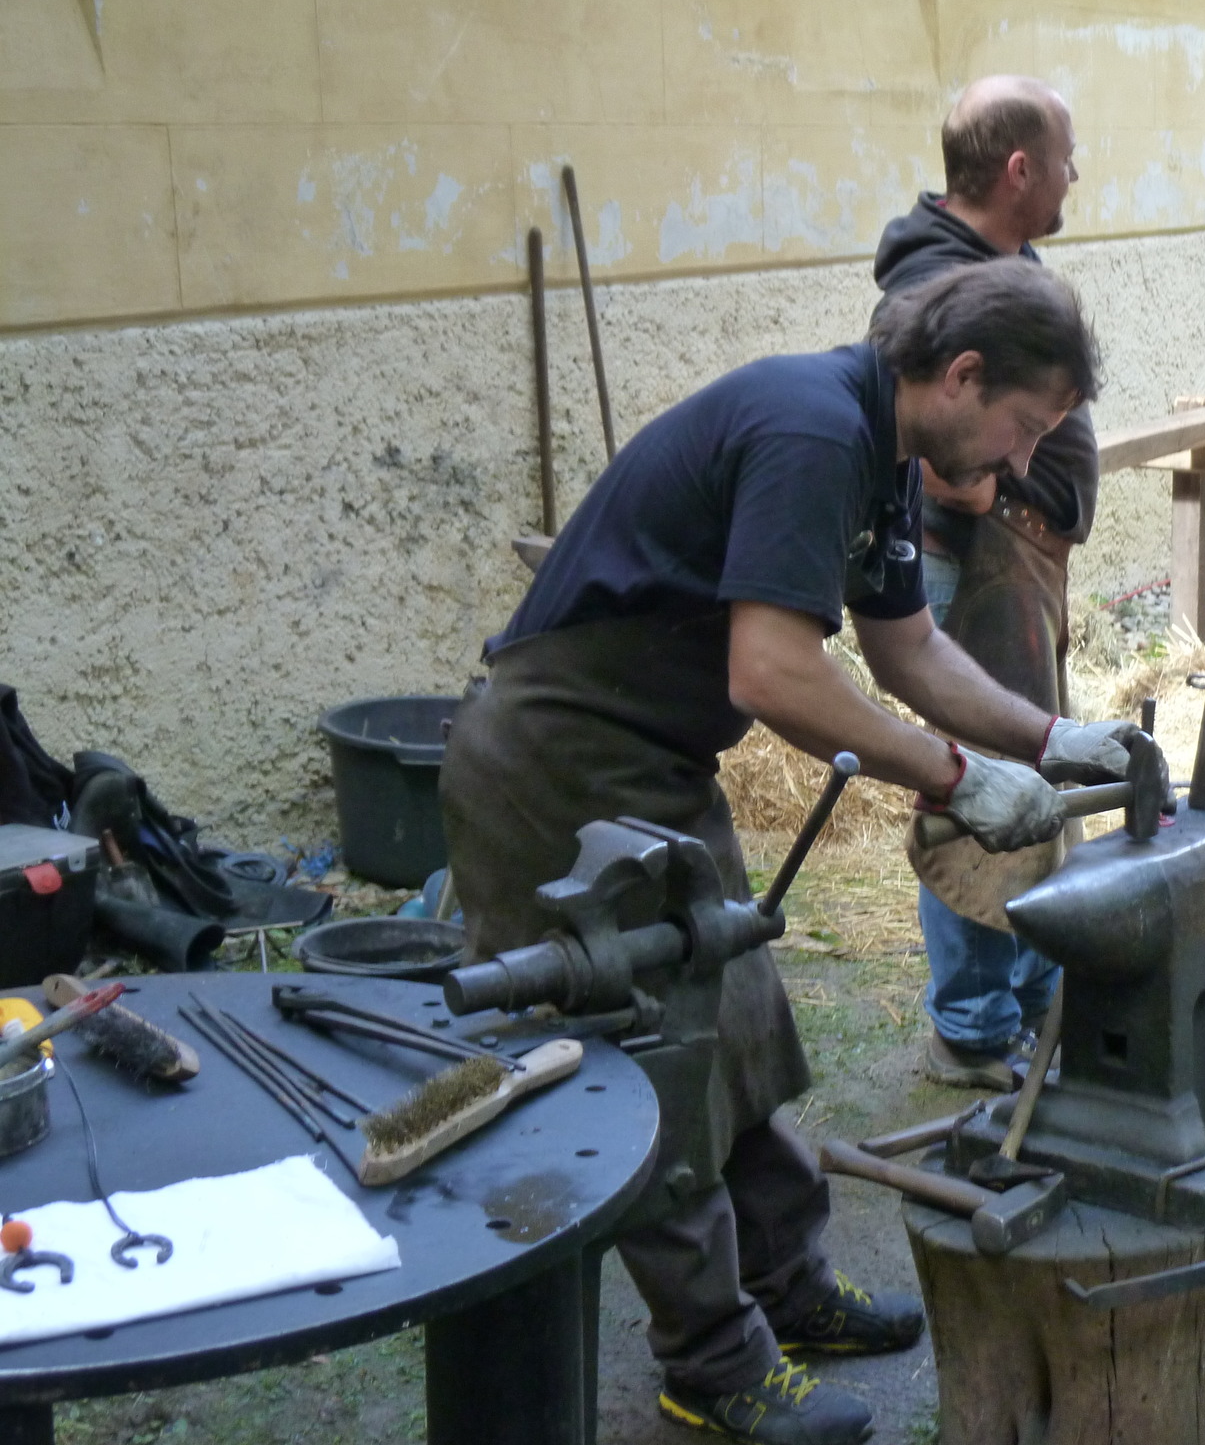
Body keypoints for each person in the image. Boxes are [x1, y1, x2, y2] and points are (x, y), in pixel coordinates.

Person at [440, 258, 1161, 1445]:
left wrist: (1048, 739)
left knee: (740, 1022)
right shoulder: (812, 428)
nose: (1021, 461)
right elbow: (770, 673)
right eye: (1022, 427)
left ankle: (787, 1289)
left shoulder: (879, 459)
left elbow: (909, 653)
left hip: (651, 762)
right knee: (652, 1064)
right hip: (554, 761)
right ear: (962, 375)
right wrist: (953, 777)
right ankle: (714, 1366)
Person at [872, 76, 1099, 1092]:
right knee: (983, 783)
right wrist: (975, 483)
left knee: (1033, 774)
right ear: (1019, 169)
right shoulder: (932, 279)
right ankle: (971, 1026)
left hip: (1020, 556)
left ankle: (1031, 1001)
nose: (1072, 175)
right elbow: (918, 450)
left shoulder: (992, 259)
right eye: (1063, 157)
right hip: (983, 561)